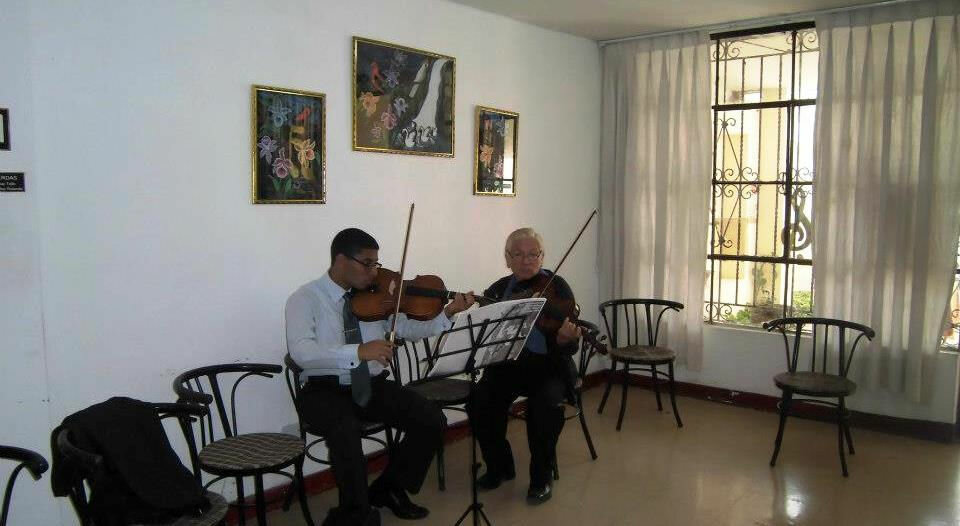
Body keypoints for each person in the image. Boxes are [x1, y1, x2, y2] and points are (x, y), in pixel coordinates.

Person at [286, 228, 475, 525]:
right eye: (368, 263)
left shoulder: (377, 296)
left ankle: (389, 488)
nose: (375, 271)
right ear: (340, 260)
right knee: (345, 433)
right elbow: (302, 352)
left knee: (431, 420)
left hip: (370, 384)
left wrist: (448, 313)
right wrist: (359, 351)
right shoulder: (305, 299)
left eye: (377, 263)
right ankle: (356, 515)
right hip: (324, 390)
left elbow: (409, 330)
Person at [466, 227, 582, 504]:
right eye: (518, 254)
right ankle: (499, 466)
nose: (526, 260)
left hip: (549, 367)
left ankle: (540, 477)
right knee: (480, 402)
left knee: (544, 408)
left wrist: (566, 340)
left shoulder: (557, 286)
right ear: (507, 258)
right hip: (507, 366)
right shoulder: (496, 290)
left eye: (533, 254)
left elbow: (570, 345)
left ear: (542, 257)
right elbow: (488, 338)